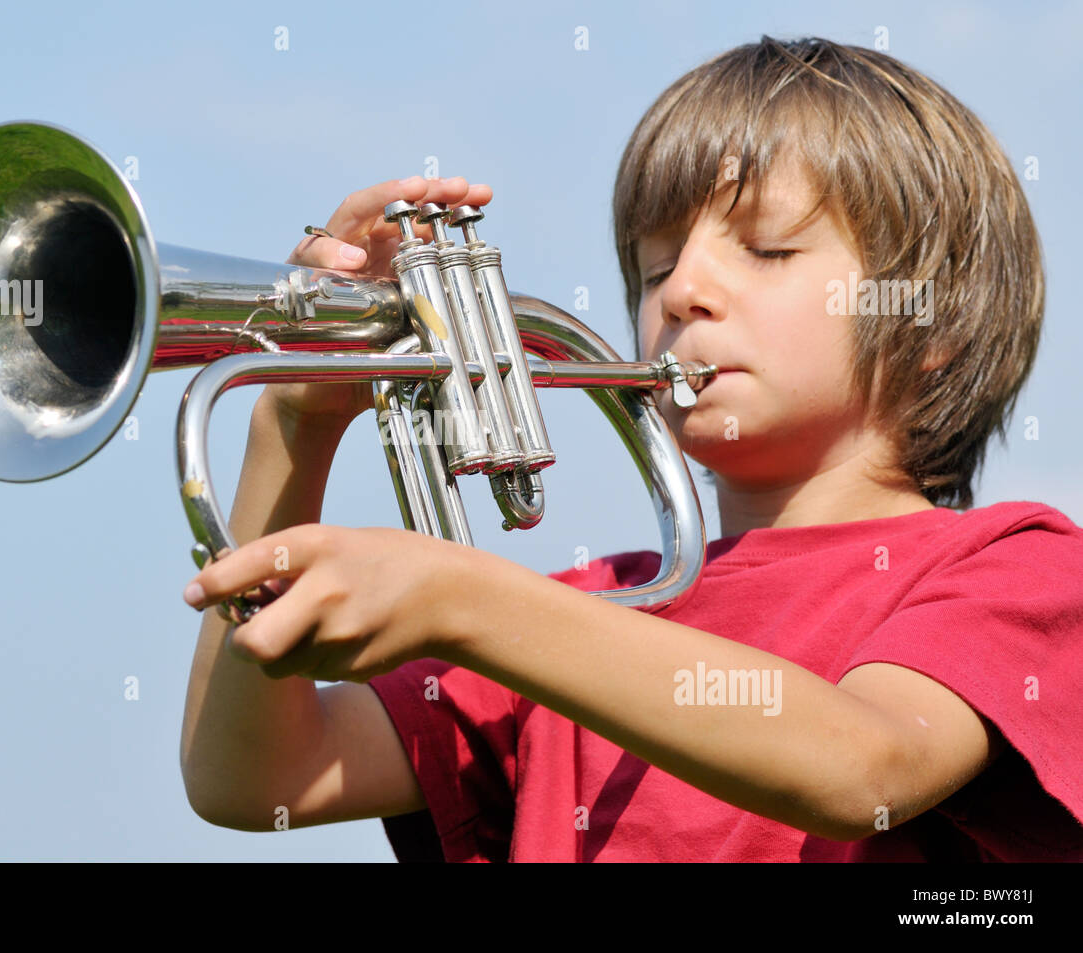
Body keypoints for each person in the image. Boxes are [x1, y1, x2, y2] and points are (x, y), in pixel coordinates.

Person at [176, 36, 1083, 861]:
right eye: (653, 270)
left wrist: (464, 600)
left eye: (766, 250)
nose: (682, 290)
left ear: (934, 329)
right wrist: (294, 420)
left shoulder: (1016, 567)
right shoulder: (581, 611)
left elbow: (866, 768)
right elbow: (257, 781)